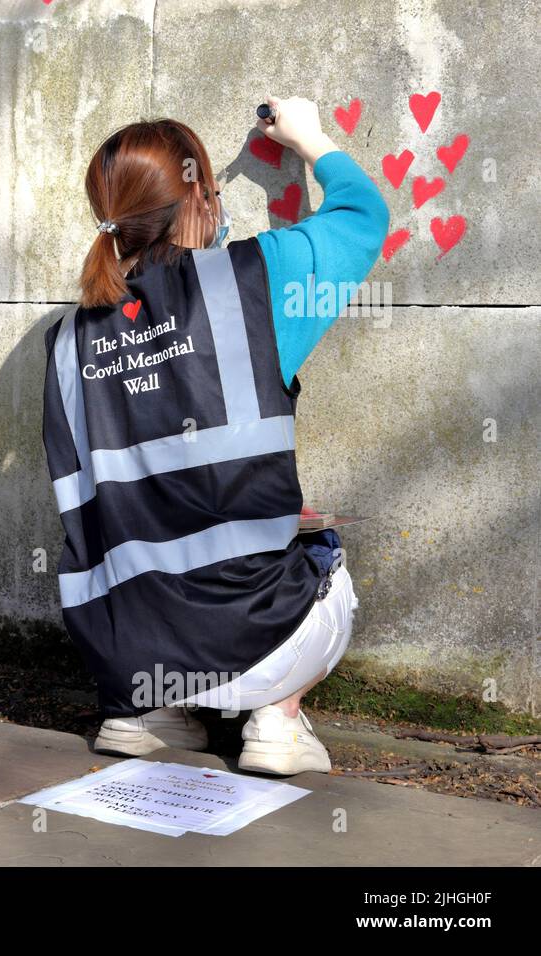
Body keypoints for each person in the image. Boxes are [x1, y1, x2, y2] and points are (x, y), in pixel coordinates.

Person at [41, 96, 388, 775]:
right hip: (257, 642)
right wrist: (311, 139)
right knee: (325, 553)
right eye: (218, 189)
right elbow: (362, 219)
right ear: (199, 197)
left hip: (123, 655)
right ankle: (275, 724)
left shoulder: (64, 341)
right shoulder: (256, 279)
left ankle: (144, 714)